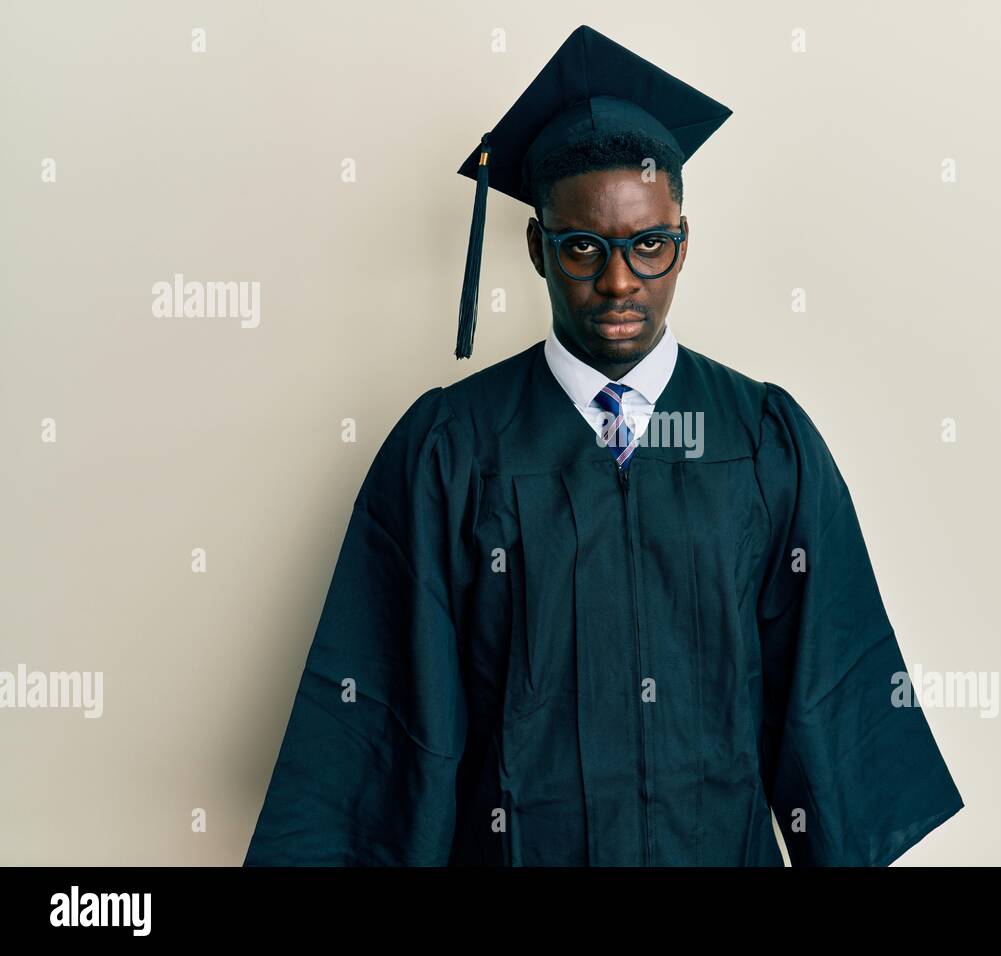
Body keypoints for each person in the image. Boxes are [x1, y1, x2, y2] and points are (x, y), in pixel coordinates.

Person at [244, 24, 963, 867]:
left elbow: (826, 698)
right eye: (583, 246)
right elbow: (393, 715)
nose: (619, 281)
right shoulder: (452, 449)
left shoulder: (763, 441)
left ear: (682, 244)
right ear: (537, 250)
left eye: (648, 245)